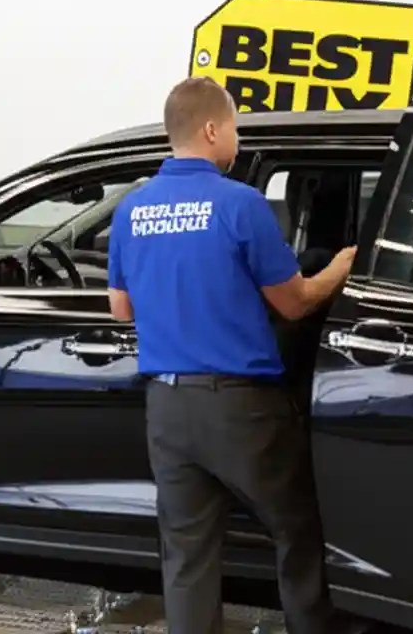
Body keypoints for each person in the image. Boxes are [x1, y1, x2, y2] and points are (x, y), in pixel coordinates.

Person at [106, 76, 357, 634]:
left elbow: (121, 310)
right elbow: (294, 304)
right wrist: (338, 270)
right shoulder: (240, 204)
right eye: (237, 129)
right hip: (240, 410)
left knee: (188, 554)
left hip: (167, 409)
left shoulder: (132, 209)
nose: (238, 142)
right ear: (213, 128)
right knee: (296, 528)